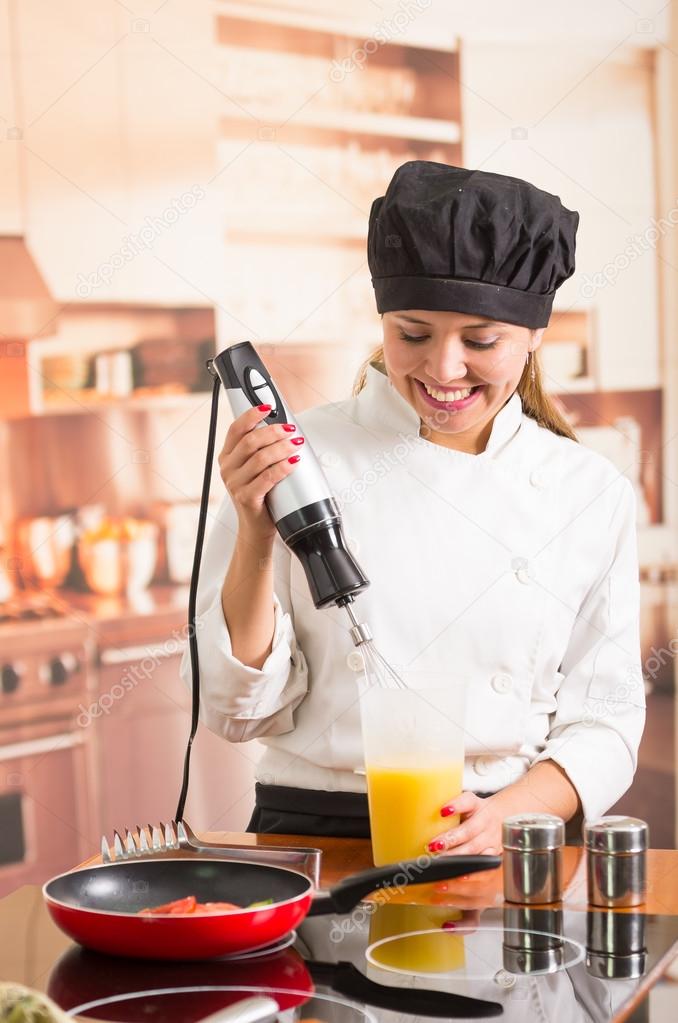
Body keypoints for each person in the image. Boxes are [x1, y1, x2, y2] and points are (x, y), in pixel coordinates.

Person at [181, 161, 645, 853]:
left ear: (535, 334)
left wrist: (509, 814)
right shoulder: (300, 458)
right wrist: (254, 527)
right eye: (413, 333)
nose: (443, 369)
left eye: (481, 341)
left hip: (501, 839)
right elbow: (239, 710)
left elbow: (604, 720)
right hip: (311, 843)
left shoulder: (587, 490)